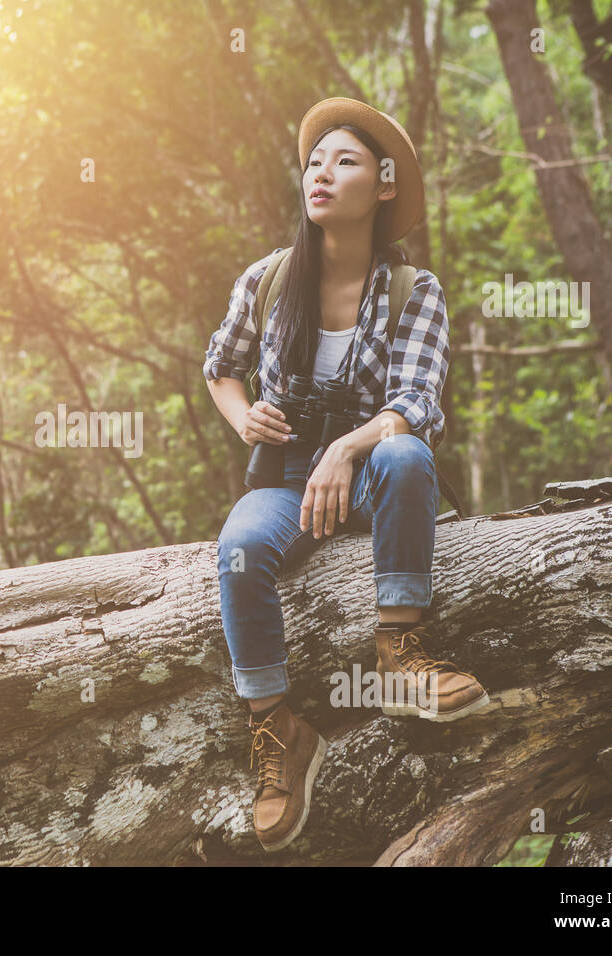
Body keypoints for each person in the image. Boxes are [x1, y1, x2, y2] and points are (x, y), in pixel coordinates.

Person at [202, 98, 489, 853]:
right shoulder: (267, 280)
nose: (322, 174)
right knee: (236, 553)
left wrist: (348, 447)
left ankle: (400, 654)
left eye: (346, 161)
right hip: (282, 483)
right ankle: (277, 733)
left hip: (368, 476)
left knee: (404, 452)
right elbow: (218, 370)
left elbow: (416, 406)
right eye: (315, 162)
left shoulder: (411, 292)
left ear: (384, 186)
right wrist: (244, 420)